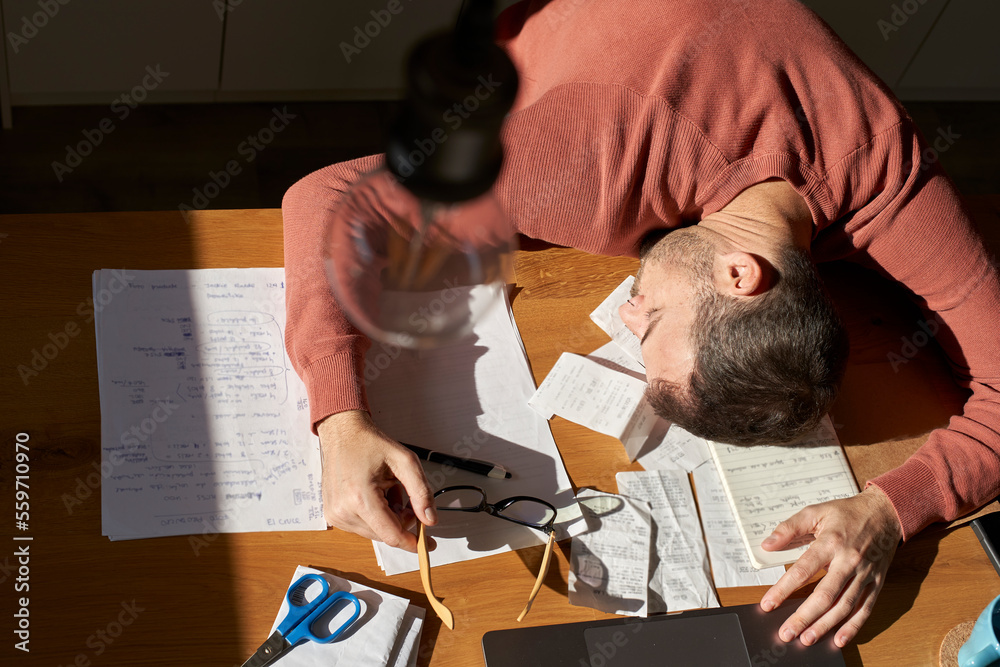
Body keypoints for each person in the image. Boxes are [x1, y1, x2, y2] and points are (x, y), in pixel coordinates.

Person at [281, 0, 1000, 649]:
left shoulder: (883, 172)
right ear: (738, 274)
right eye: (651, 318)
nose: (628, 311)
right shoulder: (590, 166)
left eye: (644, 321)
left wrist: (886, 507)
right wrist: (339, 417)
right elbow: (329, 198)